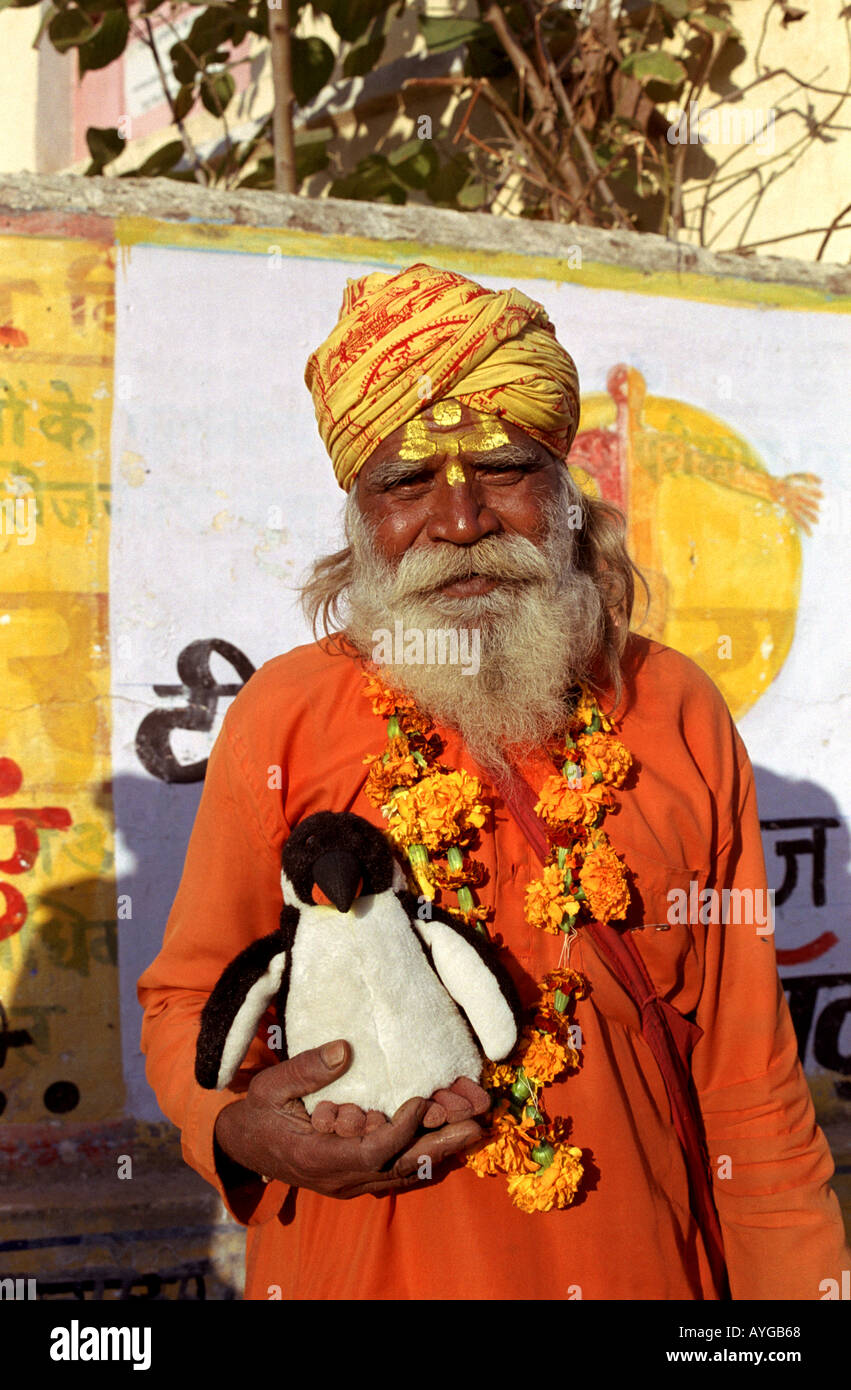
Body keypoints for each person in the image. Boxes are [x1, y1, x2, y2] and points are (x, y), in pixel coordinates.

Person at [138, 263, 849, 1301]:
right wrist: (240, 1129)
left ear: (562, 490)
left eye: (503, 469)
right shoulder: (284, 715)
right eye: (406, 481)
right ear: (359, 516)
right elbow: (187, 1000)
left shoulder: (673, 706)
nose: (460, 519)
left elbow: (747, 1080)